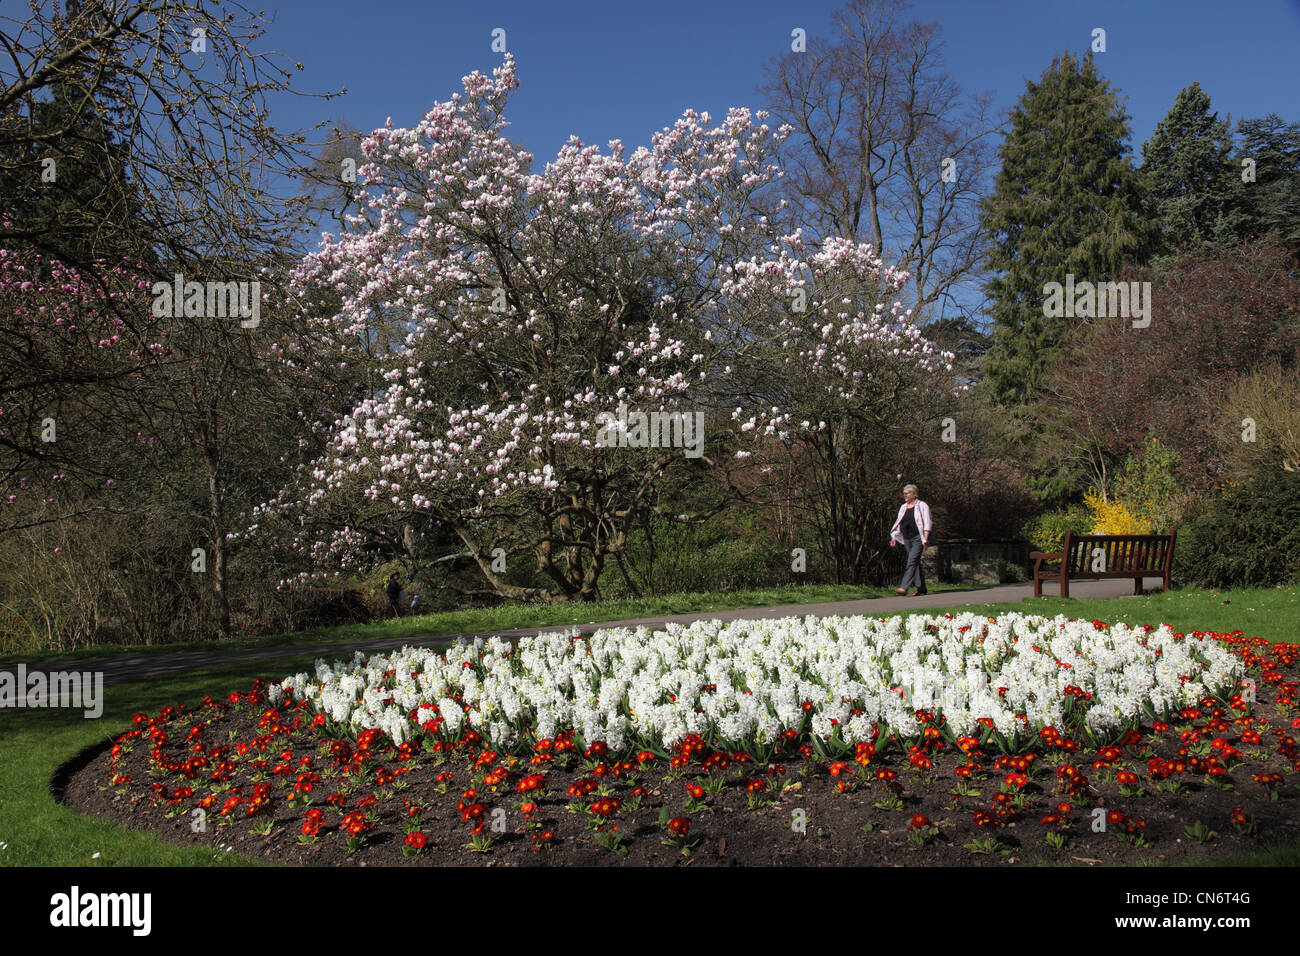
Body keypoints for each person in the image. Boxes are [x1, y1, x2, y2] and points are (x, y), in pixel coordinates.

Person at [889, 484, 932, 596]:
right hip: (907, 539)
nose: (905, 495)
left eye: (907, 493)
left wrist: (925, 538)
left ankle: (904, 587)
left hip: (918, 538)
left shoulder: (922, 505)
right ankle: (921, 588)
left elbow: (927, 522)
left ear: (914, 494)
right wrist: (894, 537)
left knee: (911, 561)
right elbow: (899, 523)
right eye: (904, 493)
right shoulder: (903, 507)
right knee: (915, 562)